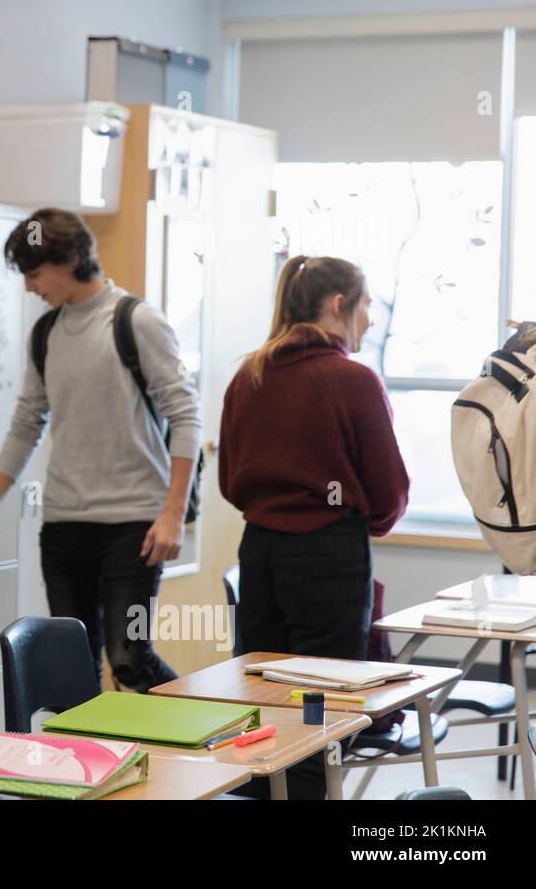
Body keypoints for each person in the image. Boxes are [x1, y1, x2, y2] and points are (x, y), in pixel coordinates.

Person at [0, 208, 200, 692]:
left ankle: (208, 733)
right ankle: (93, 766)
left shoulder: (138, 321)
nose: (30, 287)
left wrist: (173, 513)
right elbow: (27, 421)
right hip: (65, 526)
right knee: (73, 667)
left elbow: (186, 415)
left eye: (35, 273)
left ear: (70, 258)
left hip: (134, 528)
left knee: (130, 658)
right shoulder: (46, 334)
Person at [219, 254, 409, 799]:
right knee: (319, 709)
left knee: (266, 707)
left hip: (258, 553)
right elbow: (390, 489)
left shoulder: (248, 375)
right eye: (367, 304)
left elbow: (232, 481)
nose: (371, 318)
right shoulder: (351, 380)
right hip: (329, 553)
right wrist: (369, 519)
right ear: (338, 305)